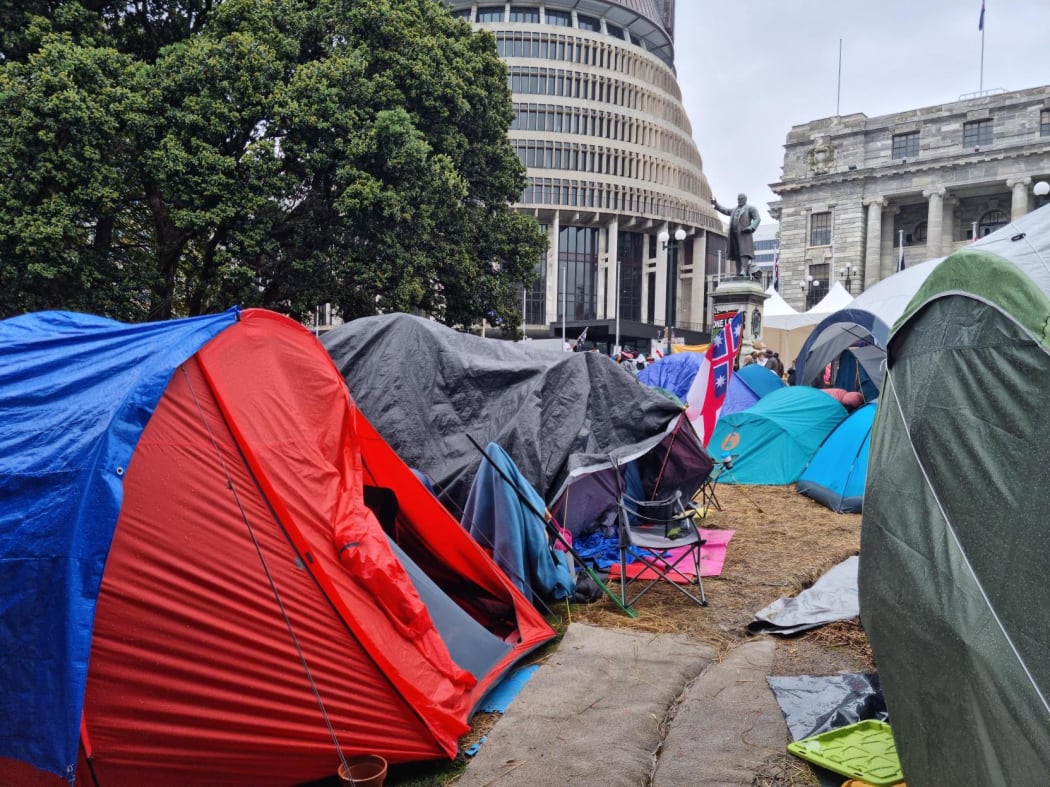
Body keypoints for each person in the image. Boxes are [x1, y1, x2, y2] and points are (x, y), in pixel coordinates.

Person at [712, 193, 761, 276]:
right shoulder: (734, 210)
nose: (739, 200)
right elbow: (726, 210)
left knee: (744, 252)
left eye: (741, 198)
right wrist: (716, 205)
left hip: (744, 234)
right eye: (738, 199)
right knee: (736, 253)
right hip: (734, 235)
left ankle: (744, 270)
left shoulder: (750, 208)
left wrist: (751, 227)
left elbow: (757, 218)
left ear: (745, 199)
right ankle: (738, 272)